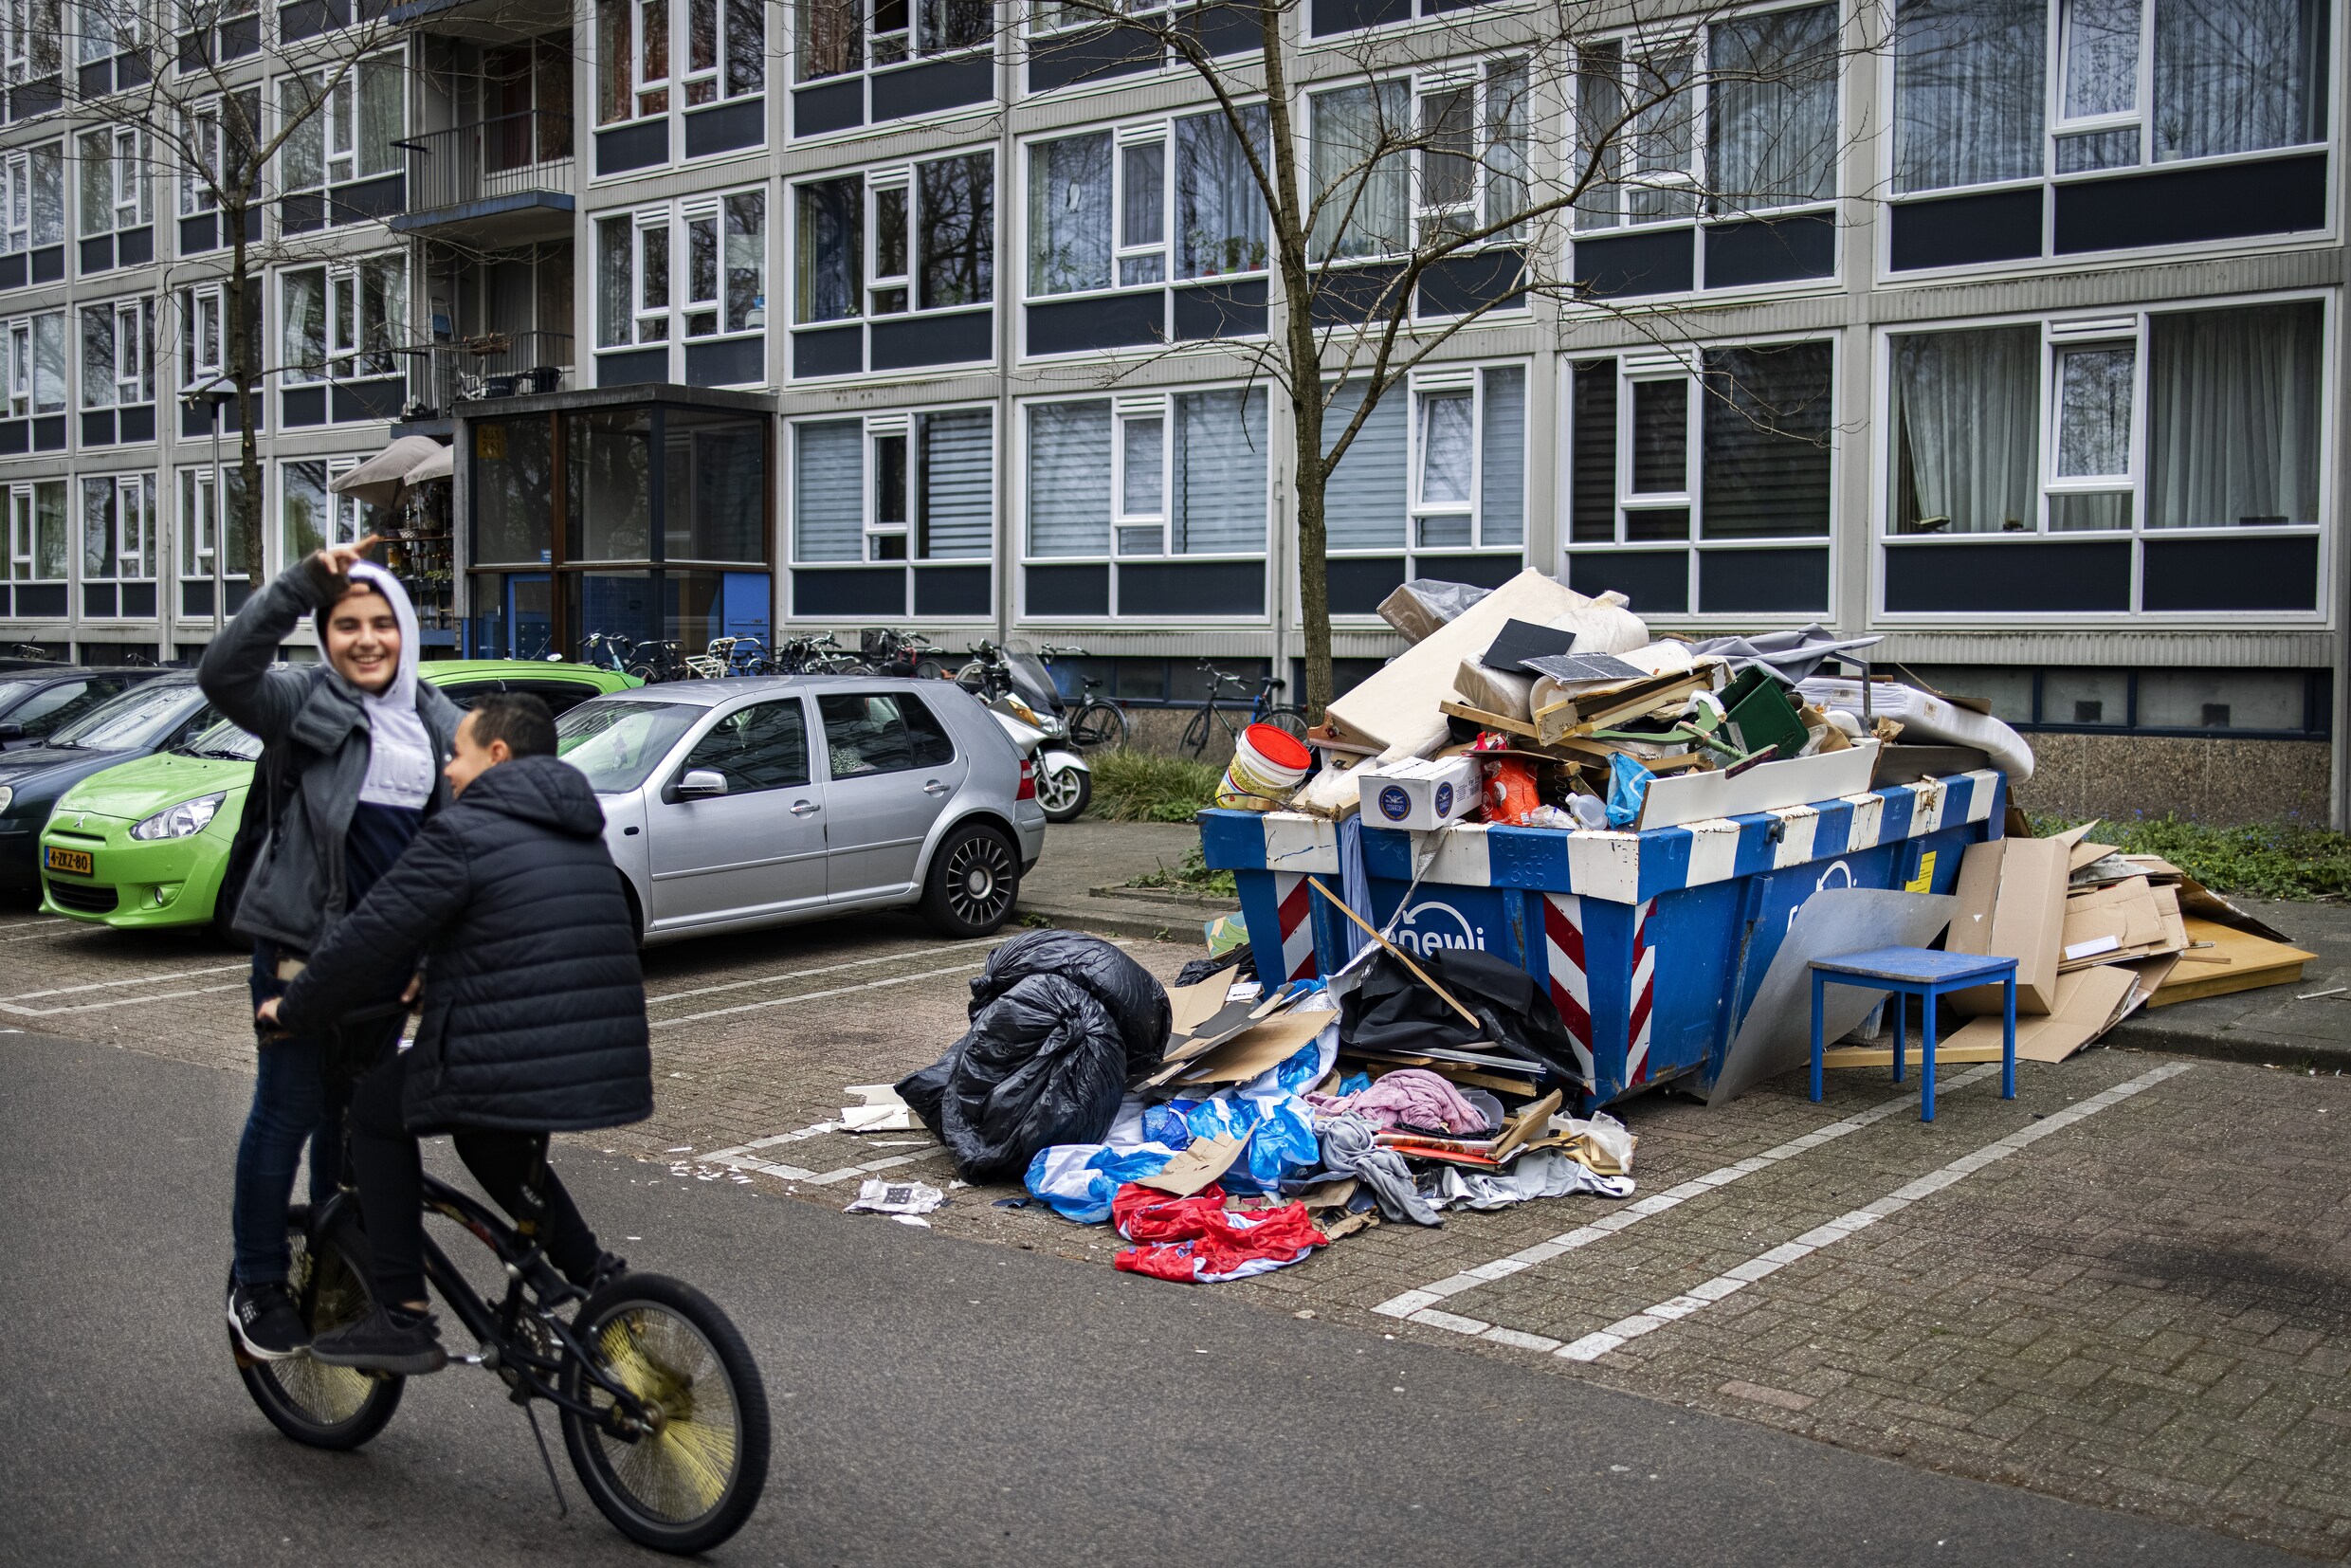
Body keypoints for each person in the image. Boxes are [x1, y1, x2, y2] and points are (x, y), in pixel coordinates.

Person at [259, 692, 653, 1374]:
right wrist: (434, 968)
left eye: (458, 753)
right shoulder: (576, 826)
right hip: (599, 1061)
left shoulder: (465, 831)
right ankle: (593, 1275)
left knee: (378, 1116)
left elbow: (368, 937)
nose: (447, 770)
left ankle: (401, 1316)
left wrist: (292, 1011)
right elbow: (507, 925)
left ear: (497, 756)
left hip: (510, 1053)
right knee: (483, 1135)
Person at [204, 537, 462, 1362]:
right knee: (287, 1111)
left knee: (350, 1131)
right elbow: (222, 673)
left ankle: (337, 1267)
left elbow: (465, 836)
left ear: (406, 630)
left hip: (386, 967)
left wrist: (432, 958)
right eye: (345, 623)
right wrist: (304, 582)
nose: (365, 639)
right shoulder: (302, 702)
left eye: (381, 623)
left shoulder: (433, 721)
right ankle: (256, 1284)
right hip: (300, 951)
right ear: (325, 635)